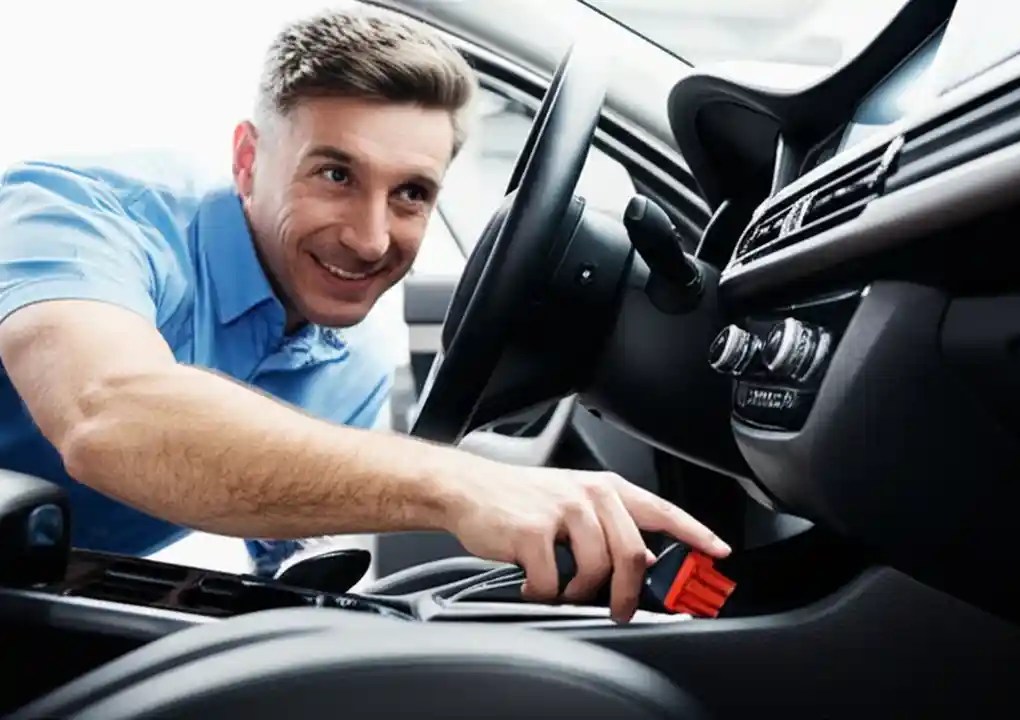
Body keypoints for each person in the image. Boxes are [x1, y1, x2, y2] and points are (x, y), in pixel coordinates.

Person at [0, 6, 729, 624]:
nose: (371, 240)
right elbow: (108, 416)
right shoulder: (79, 213)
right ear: (247, 160)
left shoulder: (355, 351)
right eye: (336, 175)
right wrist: (456, 484)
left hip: (46, 596)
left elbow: (290, 563)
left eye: (411, 193)